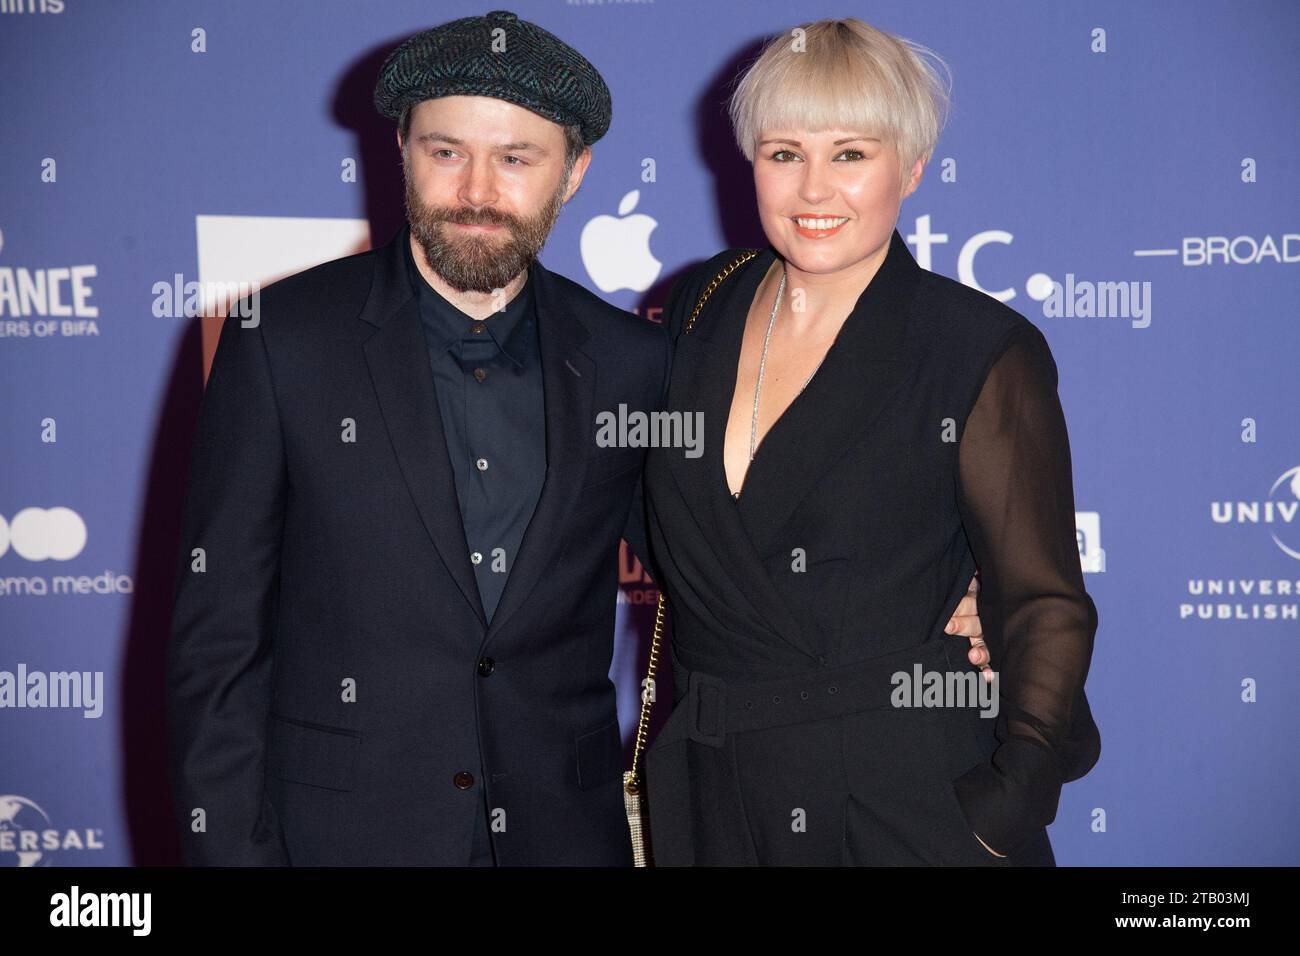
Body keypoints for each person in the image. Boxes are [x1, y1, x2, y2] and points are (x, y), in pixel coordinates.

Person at [166, 8, 986, 867]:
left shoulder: (632, 360)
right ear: (402, 150)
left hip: (566, 834)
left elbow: (726, 556)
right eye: (446, 152)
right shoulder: (284, 337)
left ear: (575, 172)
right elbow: (216, 640)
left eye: (517, 158)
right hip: (340, 839)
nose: (478, 190)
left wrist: (961, 604)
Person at [641, 17, 1101, 866]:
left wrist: (1010, 802)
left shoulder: (973, 346)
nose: (814, 189)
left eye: (850, 154)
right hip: (713, 796)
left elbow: (1045, 600)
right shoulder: (705, 303)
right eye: (785, 154)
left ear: (912, 167)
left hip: (904, 800)